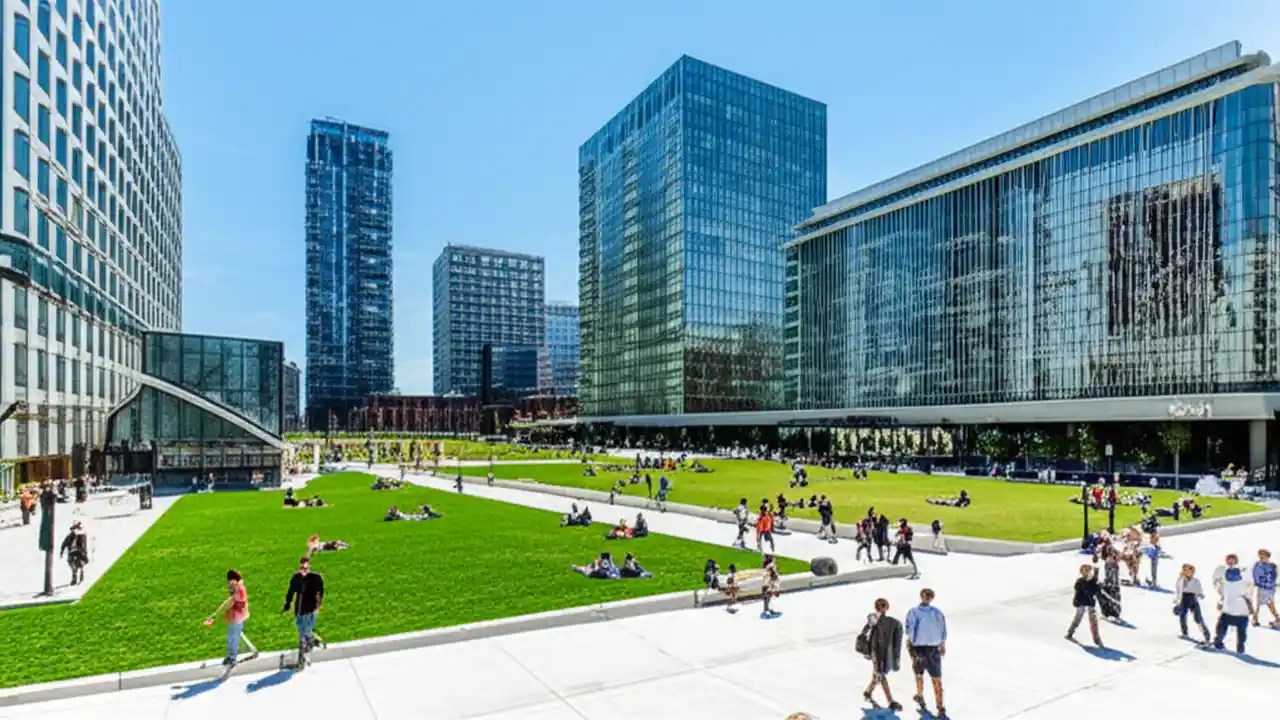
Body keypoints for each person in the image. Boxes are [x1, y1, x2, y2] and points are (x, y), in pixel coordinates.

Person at [905, 589, 947, 718]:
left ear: (921, 597)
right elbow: (943, 629)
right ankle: (940, 706)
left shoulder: (914, 612)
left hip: (919, 648)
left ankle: (920, 696)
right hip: (934, 648)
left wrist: (910, 642)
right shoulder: (937, 612)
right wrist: (942, 644)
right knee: (937, 678)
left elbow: (910, 629)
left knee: (918, 674)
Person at [205, 569, 259, 667]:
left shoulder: (239, 590)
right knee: (235, 634)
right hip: (237, 616)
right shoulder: (237, 588)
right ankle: (248, 651)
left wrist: (214, 616)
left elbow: (229, 602)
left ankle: (232, 658)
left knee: (233, 637)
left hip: (237, 617)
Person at [861, 598, 904, 712]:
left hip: (884, 651)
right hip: (876, 651)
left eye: (884, 605)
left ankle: (868, 692)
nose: (883, 607)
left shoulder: (892, 621)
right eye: (881, 605)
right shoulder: (874, 619)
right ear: (877, 607)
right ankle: (890, 701)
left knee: (877, 673)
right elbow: (865, 632)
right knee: (881, 674)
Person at [283, 556, 326, 668]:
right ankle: (312, 639)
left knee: (302, 634)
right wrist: (288, 603)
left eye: (306, 568)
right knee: (301, 628)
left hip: (310, 610)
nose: (304, 570)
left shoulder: (316, 578)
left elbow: (320, 593)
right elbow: (291, 591)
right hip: (299, 609)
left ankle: (301, 660)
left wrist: (318, 605)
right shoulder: (296, 578)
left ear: (309, 567)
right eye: (302, 568)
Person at [1213, 556, 1253, 653]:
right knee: (1239, 634)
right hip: (1234, 612)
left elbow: (1247, 596)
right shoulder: (1240, 584)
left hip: (1236, 612)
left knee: (1227, 631)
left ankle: (1221, 643)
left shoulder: (1237, 584)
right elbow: (1247, 596)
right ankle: (1238, 649)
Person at [1066, 564, 1104, 647]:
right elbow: (1077, 592)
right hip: (1082, 603)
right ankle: (1070, 632)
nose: (1087, 573)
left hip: (1090, 603)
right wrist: (1076, 601)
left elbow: (1096, 590)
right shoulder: (1080, 582)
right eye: (1085, 571)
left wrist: (1098, 586)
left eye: (1088, 571)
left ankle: (1096, 639)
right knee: (1077, 618)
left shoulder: (1093, 581)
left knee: (1093, 621)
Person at [1173, 563, 1211, 644]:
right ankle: (1185, 633)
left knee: (1198, 618)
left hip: (1192, 599)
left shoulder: (1196, 581)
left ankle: (1207, 635)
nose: (1188, 572)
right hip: (1183, 598)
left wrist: (1200, 594)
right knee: (1182, 616)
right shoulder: (1181, 580)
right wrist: (1177, 602)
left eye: (1190, 571)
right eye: (1186, 571)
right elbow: (1178, 591)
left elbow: (1199, 590)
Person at [1252, 548, 1279, 628]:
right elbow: (1255, 576)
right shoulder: (1257, 565)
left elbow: (1274, 577)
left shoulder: (1272, 566)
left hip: (1269, 589)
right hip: (1260, 588)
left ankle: (1277, 619)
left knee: (1271, 604)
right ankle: (1255, 619)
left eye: (1263, 556)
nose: (1261, 558)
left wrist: (1270, 585)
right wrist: (1259, 583)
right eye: (1260, 556)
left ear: (1267, 556)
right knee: (1257, 604)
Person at [1097, 544, 1122, 622]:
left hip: (1112, 585)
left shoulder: (1110, 562)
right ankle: (1111, 614)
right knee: (1110, 598)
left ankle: (1111, 614)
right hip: (1112, 584)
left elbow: (1112, 575)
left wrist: (1109, 584)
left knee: (1106, 597)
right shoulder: (1110, 561)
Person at [761, 554, 781, 618]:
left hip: (767, 581)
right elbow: (773, 574)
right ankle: (767, 611)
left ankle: (767, 610)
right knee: (768, 596)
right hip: (769, 581)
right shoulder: (771, 565)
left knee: (767, 597)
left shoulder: (768, 565)